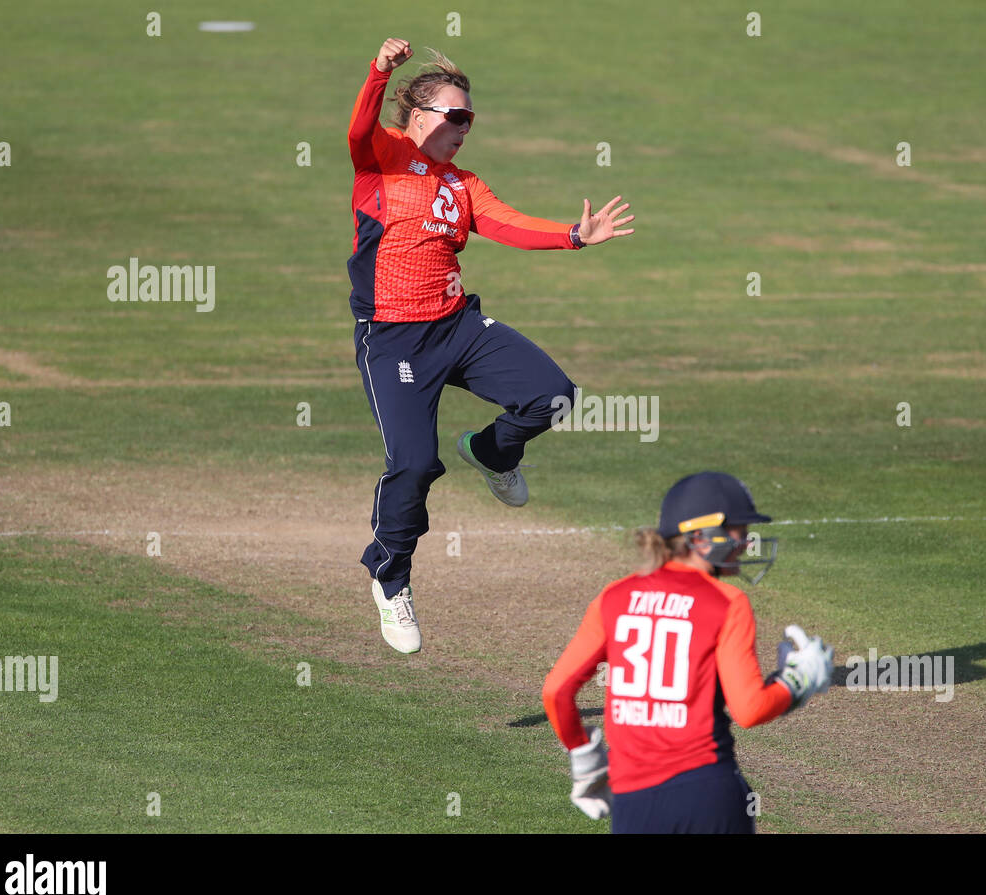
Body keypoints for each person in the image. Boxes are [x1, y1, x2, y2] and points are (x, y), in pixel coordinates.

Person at [347, 38, 634, 653]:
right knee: (415, 464)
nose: (465, 128)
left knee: (554, 395)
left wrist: (573, 236)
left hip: (456, 327)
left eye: (470, 119)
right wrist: (379, 72)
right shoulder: (381, 157)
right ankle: (389, 574)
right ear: (419, 116)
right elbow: (357, 126)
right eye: (457, 117)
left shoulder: (462, 184)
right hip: (393, 338)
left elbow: (508, 223)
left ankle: (492, 453)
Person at [542, 472, 834, 834]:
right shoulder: (727, 602)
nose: (746, 543)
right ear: (701, 537)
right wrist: (796, 683)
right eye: (739, 531)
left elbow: (556, 691)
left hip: (633, 804)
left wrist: (582, 754)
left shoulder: (613, 597)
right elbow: (750, 709)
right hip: (708, 796)